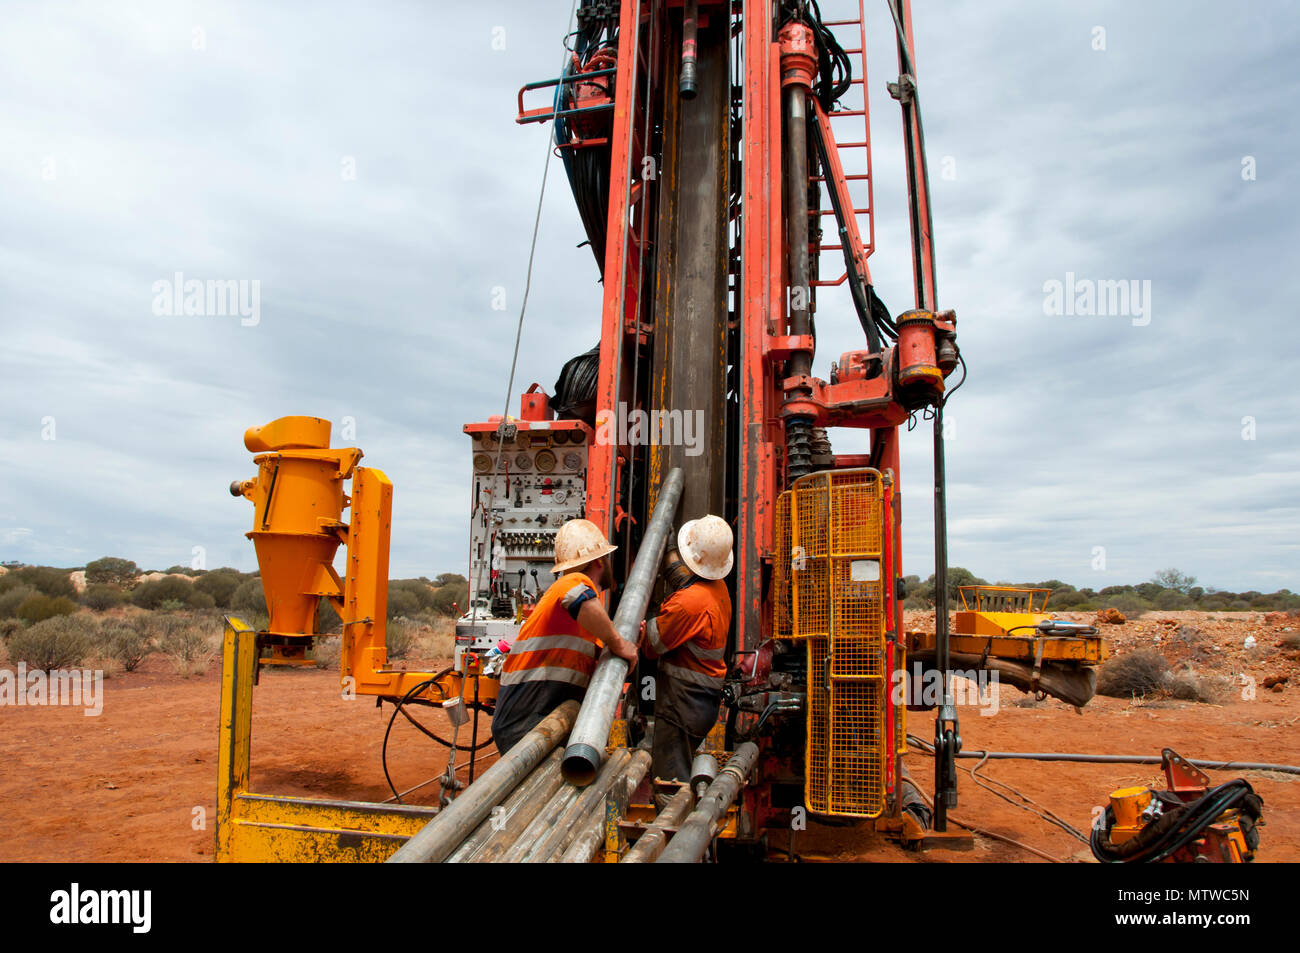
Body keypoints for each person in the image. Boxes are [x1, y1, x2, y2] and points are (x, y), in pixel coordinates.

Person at [491, 519, 638, 755]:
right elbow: (577, 598)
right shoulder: (572, 582)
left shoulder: (584, 622)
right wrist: (619, 643)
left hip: (533, 716)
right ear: (600, 560)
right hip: (526, 718)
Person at [640, 514, 733, 783]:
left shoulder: (687, 604)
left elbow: (651, 646)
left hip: (682, 704)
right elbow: (687, 583)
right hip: (703, 702)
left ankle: (672, 823)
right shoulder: (718, 588)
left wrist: (644, 621)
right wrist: (669, 554)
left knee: (670, 779)